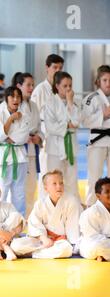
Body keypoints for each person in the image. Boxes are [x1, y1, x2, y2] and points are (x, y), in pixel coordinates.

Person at [82, 65, 110, 206]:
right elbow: (85, 121)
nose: (108, 83)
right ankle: (91, 209)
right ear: (98, 82)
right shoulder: (91, 99)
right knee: (94, 177)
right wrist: (104, 114)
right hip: (98, 142)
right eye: (104, 80)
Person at [10, 170, 81, 259]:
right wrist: (44, 239)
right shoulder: (40, 204)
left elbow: (73, 230)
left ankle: (34, 254)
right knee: (16, 245)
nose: (59, 186)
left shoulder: (71, 201)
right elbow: (34, 224)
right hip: (43, 241)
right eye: (54, 184)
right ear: (46, 188)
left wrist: (67, 242)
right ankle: (44, 252)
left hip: (62, 242)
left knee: (66, 250)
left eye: (61, 183)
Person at [42, 71, 81, 201]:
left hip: (71, 147)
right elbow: (50, 126)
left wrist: (70, 103)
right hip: (55, 148)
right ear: (57, 86)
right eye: (65, 86)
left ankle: (72, 210)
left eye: (70, 85)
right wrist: (67, 125)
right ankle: (53, 210)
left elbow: (76, 122)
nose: (68, 88)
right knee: (54, 181)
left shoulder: (75, 102)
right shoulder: (50, 102)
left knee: (71, 180)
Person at [31, 54, 64, 199]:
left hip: (60, 136)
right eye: (54, 67)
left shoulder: (61, 88)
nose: (57, 70)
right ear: (47, 68)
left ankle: (59, 204)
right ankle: (43, 206)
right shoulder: (40, 90)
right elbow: (34, 116)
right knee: (46, 173)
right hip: (45, 134)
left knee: (60, 173)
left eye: (60, 68)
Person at [12, 72, 44, 217]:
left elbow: (39, 127)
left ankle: (29, 223)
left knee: (31, 188)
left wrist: (39, 137)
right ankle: (13, 224)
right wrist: (21, 137)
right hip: (17, 152)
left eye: (33, 84)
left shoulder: (34, 106)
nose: (32, 88)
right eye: (28, 85)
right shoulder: (11, 105)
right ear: (19, 86)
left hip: (32, 150)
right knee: (17, 190)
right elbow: (7, 130)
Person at [0, 86, 31, 216]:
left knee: (19, 192)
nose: (15, 99)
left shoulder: (25, 113)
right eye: (12, 96)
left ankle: (18, 223)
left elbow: (23, 137)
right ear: (6, 99)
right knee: (2, 191)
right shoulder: (0, 111)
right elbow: (0, 136)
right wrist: (10, 119)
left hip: (20, 158)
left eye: (18, 96)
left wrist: (6, 136)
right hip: (3, 158)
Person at [0, 191, 24, 260]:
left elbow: (19, 221)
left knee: (16, 215)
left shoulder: (8, 206)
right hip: (7, 238)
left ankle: (4, 245)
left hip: (10, 236)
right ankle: (5, 247)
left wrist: (9, 234)